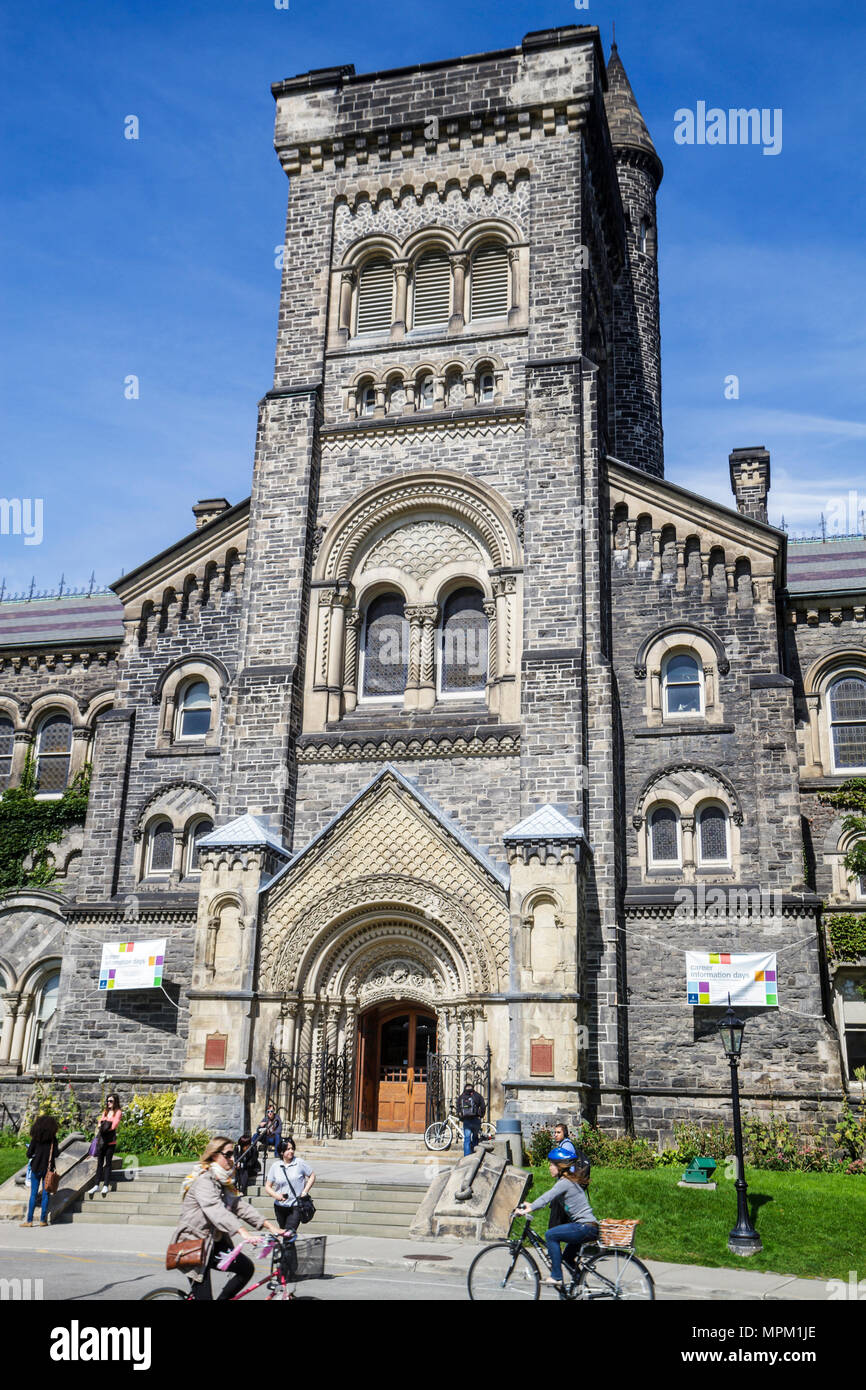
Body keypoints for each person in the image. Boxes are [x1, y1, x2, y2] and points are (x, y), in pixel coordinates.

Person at [170, 1135, 281, 1301]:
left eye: (233, 1154)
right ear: (215, 1155)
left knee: (246, 1269)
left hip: (212, 1243)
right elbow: (214, 1209)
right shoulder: (204, 1180)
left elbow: (238, 1206)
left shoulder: (222, 1180)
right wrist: (242, 1231)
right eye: (227, 1154)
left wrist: (269, 1225)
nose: (232, 1158)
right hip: (193, 1246)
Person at [516, 1146, 599, 1287]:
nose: (549, 1167)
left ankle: (556, 1276)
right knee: (567, 1258)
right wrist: (530, 1205)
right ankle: (579, 1287)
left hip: (584, 1227)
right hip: (588, 1227)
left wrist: (529, 1208)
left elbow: (547, 1196)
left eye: (552, 1164)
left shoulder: (564, 1183)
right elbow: (547, 1201)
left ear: (560, 1167)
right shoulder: (567, 1181)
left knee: (551, 1235)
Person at [264, 1135, 316, 1237]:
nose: (291, 1151)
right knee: (285, 1235)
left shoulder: (299, 1163)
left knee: (289, 1234)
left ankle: (287, 1252)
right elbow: (267, 1186)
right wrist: (276, 1196)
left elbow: (312, 1175)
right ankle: (286, 1252)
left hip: (295, 1206)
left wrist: (305, 1191)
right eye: (288, 1149)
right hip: (280, 1207)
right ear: (281, 1152)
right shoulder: (276, 1166)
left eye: (292, 1148)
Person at [20, 1113, 58, 1228]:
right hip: (48, 1169)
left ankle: (29, 1221)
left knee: (33, 1194)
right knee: (46, 1194)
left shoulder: (36, 1138)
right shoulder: (53, 1139)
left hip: (36, 1167)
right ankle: (43, 1220)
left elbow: (29, 1154)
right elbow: (56, 1153)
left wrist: (36, 1153)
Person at [88, 1091, 122, 1198]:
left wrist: (104, 1124)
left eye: (111, 1101)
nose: (109, 1103)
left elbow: (114, 1125)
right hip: (102, 1140)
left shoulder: (118, 1112)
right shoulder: (106, 1111)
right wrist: (104, 1124)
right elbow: (100, 1123)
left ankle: (106, 1184)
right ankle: (96, 1184)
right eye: (107, 1101)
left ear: (115, 1102)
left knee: (108, 1163)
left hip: (110, 1141)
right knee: (99, 1163)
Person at [455, 1082, 486, 1156]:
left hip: (466, 1120)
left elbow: (458, 1108)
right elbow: (483, 1106)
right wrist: (481, 1115)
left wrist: (461, 1118)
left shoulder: (462, 1096)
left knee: (467, 1139)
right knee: (475, 1138)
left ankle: (467, 1157)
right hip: (475, 1119)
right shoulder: (477, 1095)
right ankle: (475, 1155)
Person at [252, 1103, 282, 1167]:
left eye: (271, 1111)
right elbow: (258, 1131)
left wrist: (270, 1132)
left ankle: (276, 1155)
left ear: (274, 1112)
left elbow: (279, 1131)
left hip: (273, 1139)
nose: (270, 1113)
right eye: (268, 1112)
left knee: (278, 1136)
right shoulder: (265, 1119)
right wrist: (260, 1126)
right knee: (255, 1135)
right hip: (266, 1138)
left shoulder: (277, 1118)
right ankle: (251, 1149)